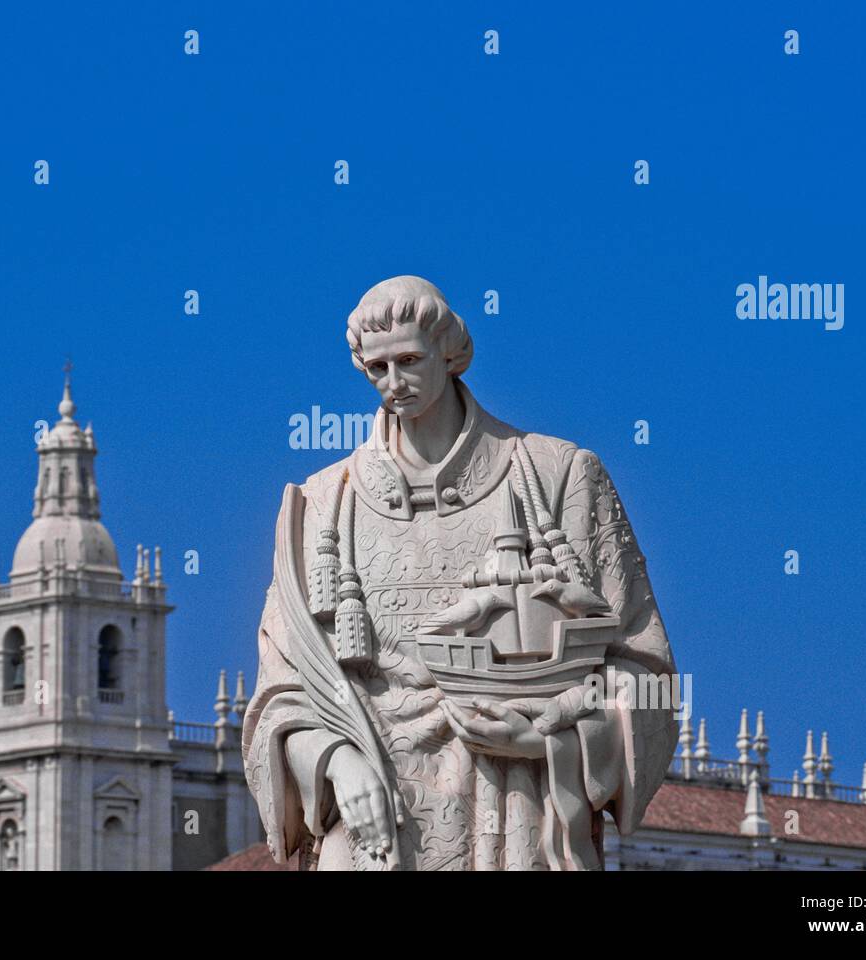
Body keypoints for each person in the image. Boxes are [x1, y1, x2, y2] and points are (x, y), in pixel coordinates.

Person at [242, 276, 678, 870]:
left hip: (519, 816)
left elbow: (644, 671)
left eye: (409, 360)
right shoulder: (319, 506)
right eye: (376, 368)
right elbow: (280, 695)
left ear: (449, 351)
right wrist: (336, 762)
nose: (393, 383)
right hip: (373, 827)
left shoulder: (559, 477)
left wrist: (553, 742)